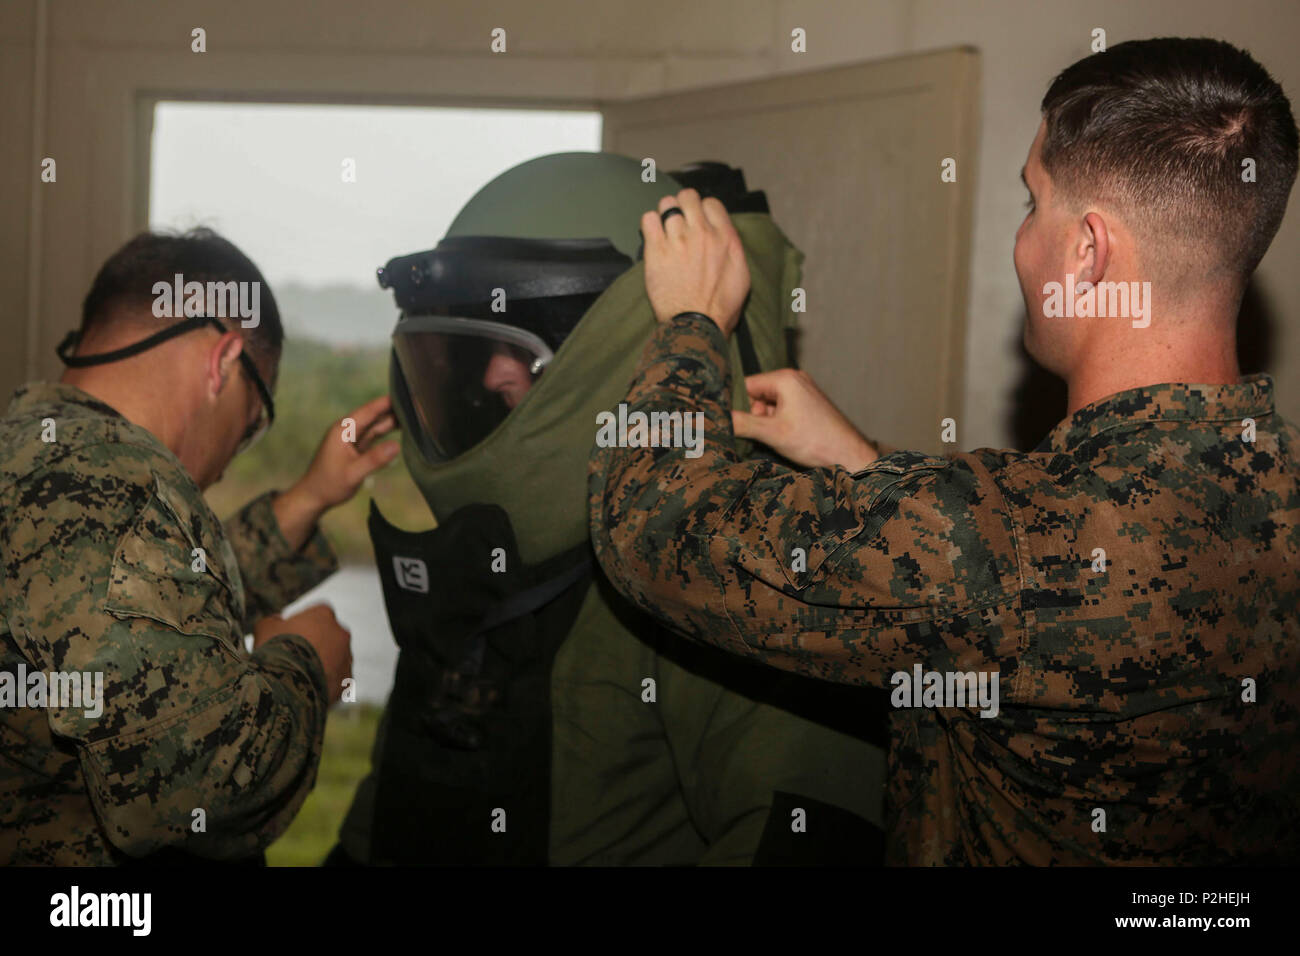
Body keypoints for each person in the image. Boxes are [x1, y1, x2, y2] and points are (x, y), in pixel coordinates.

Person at [590, 37, 1300, 864]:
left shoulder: (1006, 548)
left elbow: (648, 522)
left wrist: (692, 323)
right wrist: (858, 457)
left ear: (1088, 251)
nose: (1023, 238)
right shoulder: (1268, 487)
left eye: (1033, 204)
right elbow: (987, 560)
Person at [331, 152, 889, 866]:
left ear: (625, 341)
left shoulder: (735, 566)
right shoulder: (486, 552)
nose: (496, 372)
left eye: (535, 331)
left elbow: (805, 831)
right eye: (476, 337)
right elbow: (408, 787)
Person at [0, 228, 397, 864]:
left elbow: (138, 621)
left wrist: (306, 500)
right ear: (222, 362)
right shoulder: (113, 480)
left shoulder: (36, 451)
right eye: (254, 421)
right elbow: (187, 787)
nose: (229, 458)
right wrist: (304, 668)